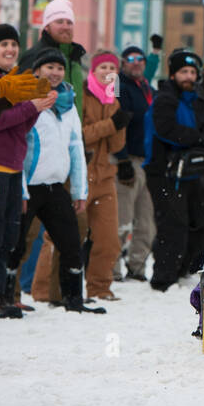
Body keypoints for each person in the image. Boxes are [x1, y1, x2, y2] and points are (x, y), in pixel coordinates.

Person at [10, 47, 97, 314]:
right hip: (28, 187)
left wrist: (79, 191)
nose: (56, 72)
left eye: (59, 68)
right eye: (49, 67)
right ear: (37, 71)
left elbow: (76, 149)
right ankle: (5, 298)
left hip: (55, 187)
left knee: (71, 242)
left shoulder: (68, 103)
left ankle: (74, 299)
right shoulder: (27, 100)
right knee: (17, 243)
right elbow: (18, 147)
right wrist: (21, 188)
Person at [0, 25, 57, 318]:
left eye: (14, 43)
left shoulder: (15, 80)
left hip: (14, 168)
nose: (11, 50)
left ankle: (1, 295)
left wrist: (37, 108)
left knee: (8, 237)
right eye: (4, 45)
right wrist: (32, 107)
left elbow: (21, 127)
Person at [144, 49, 204, 291]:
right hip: (166, 172)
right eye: (183, 72)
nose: (188, 76)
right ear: (173, 74)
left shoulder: (193, 100)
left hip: (190, 171)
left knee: (201, 221)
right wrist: (199, 139)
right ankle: (163, 278)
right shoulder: (165, 98)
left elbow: (203, 128)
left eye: (192, 72)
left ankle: (184, 269)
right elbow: (165, 129)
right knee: (172, 226)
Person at [82, 51, 130, 302]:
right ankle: (47, 290)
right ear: (94, 70)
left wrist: (118, 124)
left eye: (113, 67)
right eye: (103, 67)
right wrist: (111, 125)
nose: (108, 71)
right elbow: (81, 135)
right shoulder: (82, 96)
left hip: (105, 176)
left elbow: (115, 145)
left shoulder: (114, 100)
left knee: (108, 240)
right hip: (82, 175)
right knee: (65, 237)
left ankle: (100, 287)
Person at [114, 46, 156, 281]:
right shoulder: (120, 85)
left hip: (147, 161)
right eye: (131, 59)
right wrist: (121, 159)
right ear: (123, 62)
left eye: (140, 59)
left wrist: (156, 55)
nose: (136, 62)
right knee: (122, 220)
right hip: (127, 158)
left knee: (147, 222)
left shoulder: (146, 88)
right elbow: (117, 122)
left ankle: (137, 266)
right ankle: (111, 268)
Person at [19, 0, 86, 119]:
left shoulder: (74, 58)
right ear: (47, 26)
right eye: (59, 21)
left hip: (71, 133)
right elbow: (20, 101)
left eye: (69, 22)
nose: (65, 27)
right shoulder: (34, 55)